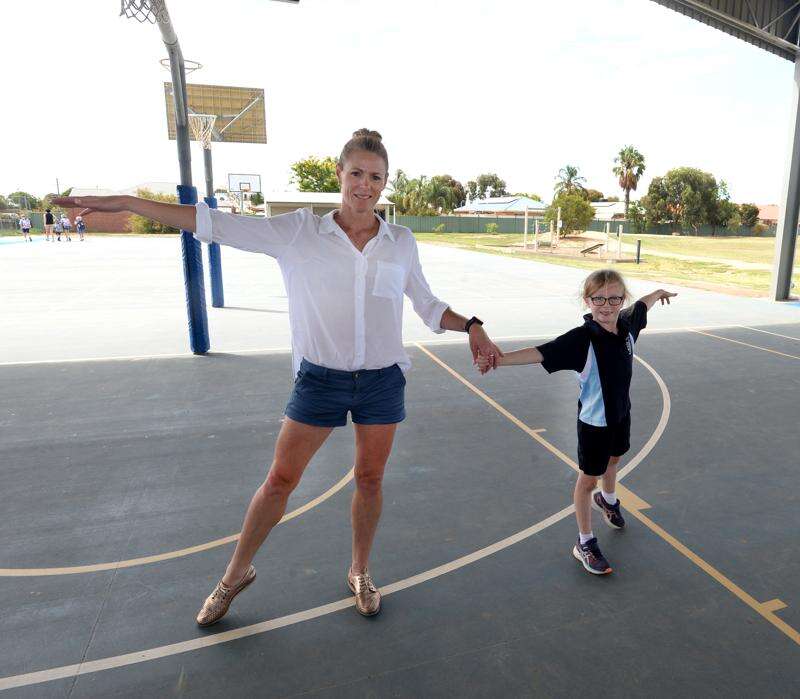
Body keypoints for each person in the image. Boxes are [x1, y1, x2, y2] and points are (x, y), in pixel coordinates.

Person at [53, 128, 503, 625]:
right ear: (340, 174)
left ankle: (359, 570)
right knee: (280, 480)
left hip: (381, 381)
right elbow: (211, 223)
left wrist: (472, 326)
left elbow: (427, 305)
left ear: (384, 182)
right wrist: (125, 202)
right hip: (319, 380)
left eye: (375, 177)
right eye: (355, 173)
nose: (364, 185)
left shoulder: (400, 242)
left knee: (370, 479)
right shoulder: (298, 232)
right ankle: (234, 576)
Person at [476, 269, 676, 575]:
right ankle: (584, 542)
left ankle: (608, 500)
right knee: (587, 480)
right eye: (599, 299)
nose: (607, 305)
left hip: (622, 413)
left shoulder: (627, 324)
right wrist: (497, 359)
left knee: (616, 457)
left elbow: (643, 305)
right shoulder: (581, 340)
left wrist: (658, 293)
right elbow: (540, 353)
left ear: (623, 299)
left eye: (614, 298)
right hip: (595, 424)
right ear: (588, 300)